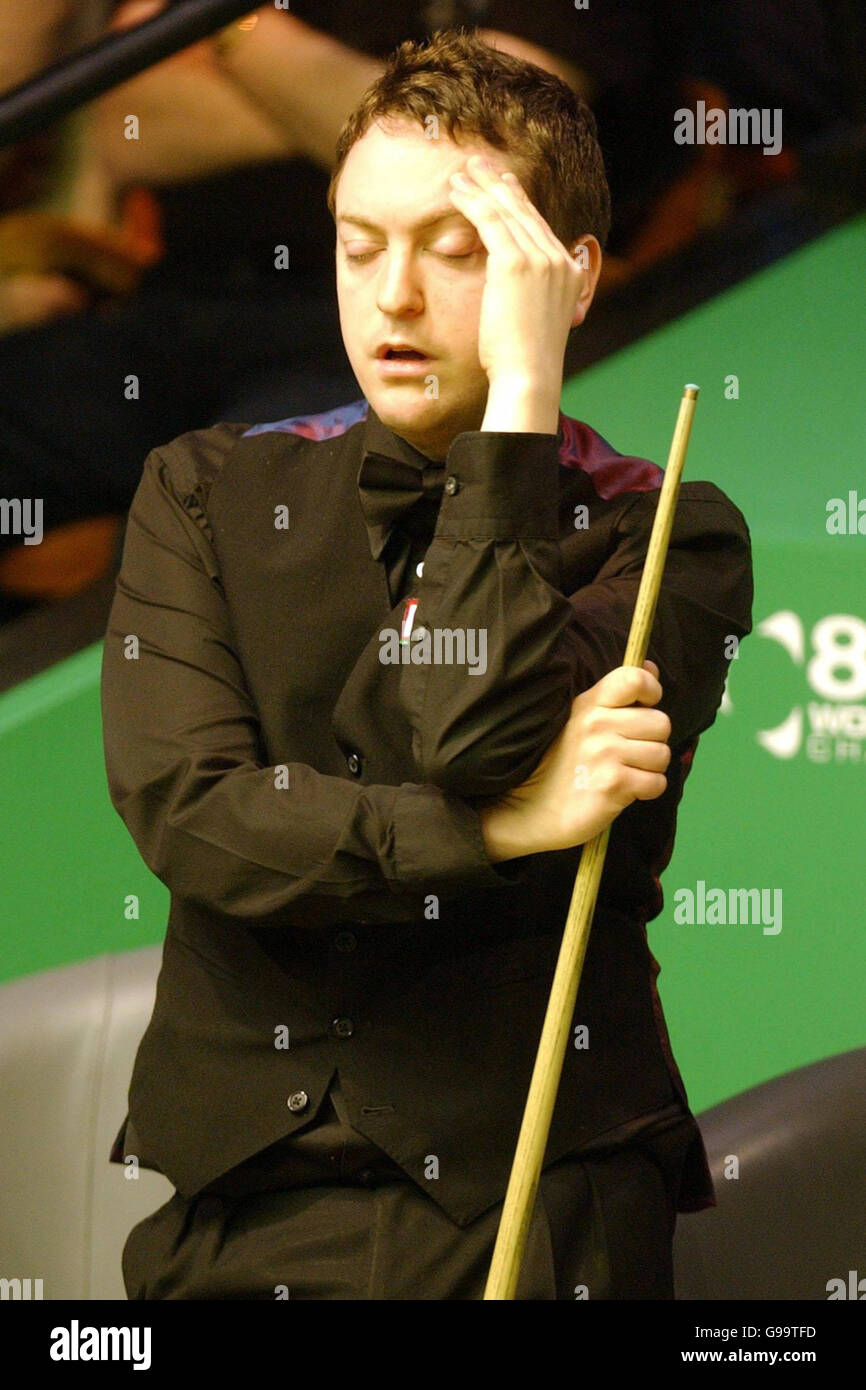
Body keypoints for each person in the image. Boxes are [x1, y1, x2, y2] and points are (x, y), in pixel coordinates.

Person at [102, 29, 753, 1300]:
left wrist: (517, 407)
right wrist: (495, 832)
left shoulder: (668, 530)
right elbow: (194, 815)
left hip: (528, 1200)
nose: (392, 298)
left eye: (458, 256)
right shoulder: (202, 491)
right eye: (358, 248)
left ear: (566, 281)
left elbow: (471, 732)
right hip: (231, 1206)